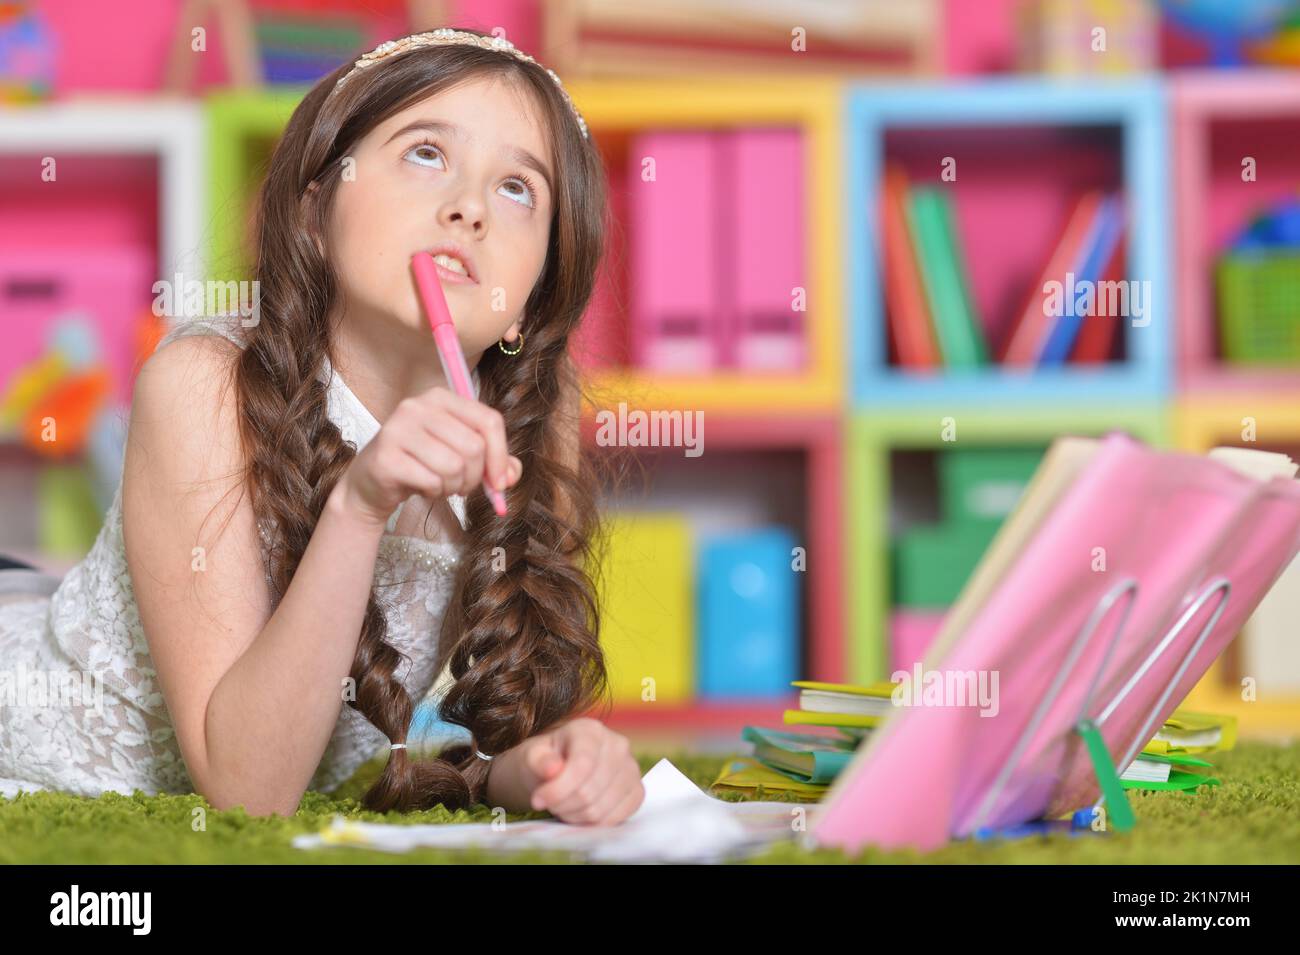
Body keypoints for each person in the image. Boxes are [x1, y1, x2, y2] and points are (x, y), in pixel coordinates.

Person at [0, 27, 644, 824]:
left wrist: (541, 765)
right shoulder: (206, 384)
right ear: (316, 211)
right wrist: (358, 506)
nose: (470, 207)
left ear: (536, 291)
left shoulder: (534, 427)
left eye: (519, 188)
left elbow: (450, 742)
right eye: (426, 153)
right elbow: (248, 789)